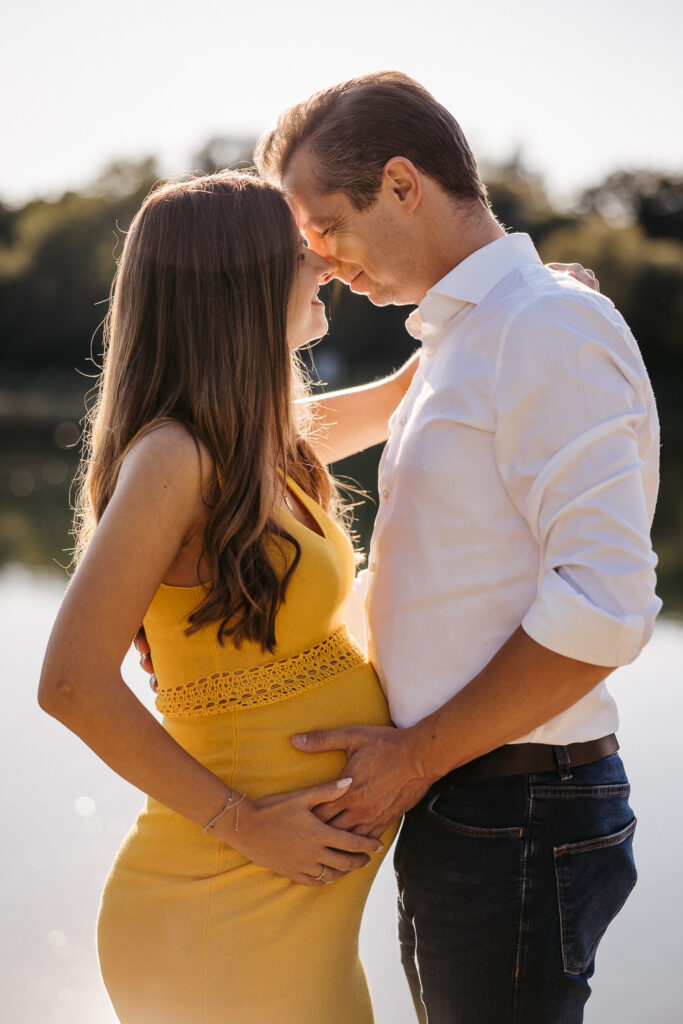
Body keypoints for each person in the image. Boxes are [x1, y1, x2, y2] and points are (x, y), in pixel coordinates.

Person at [252, 72, 661, 1023]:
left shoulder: (543, 327)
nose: (319, 261)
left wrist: (416, 755)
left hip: (511, 803)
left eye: (325, 226)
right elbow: (274, 440)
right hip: (468, 799)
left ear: (401, 184)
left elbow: (604, 607)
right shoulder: (466, 339)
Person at [38, 170, 412, 1024]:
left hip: (298, 913)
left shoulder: (260, 446)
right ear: (238, 283)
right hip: (217, 905)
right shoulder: (174, 459)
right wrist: (243, 824)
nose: (325, 270)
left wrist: (516, 299)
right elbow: (69, 682)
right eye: (301, 257)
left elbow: (399, 399)